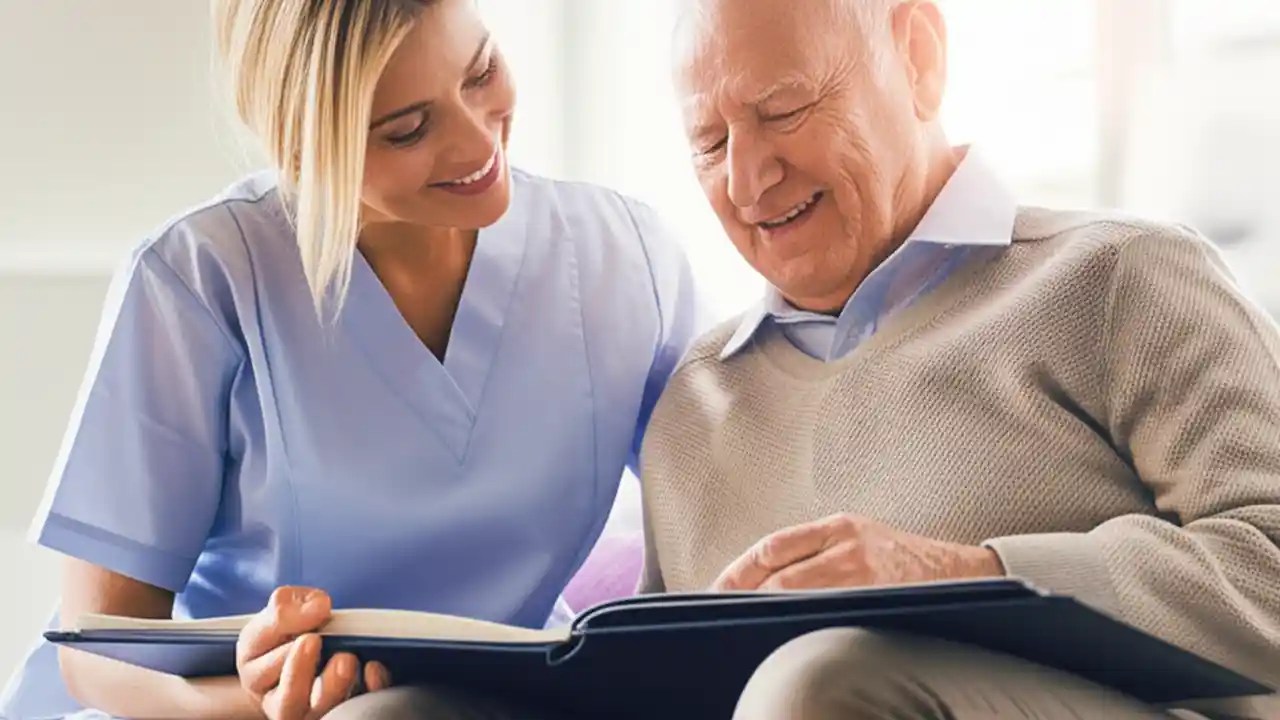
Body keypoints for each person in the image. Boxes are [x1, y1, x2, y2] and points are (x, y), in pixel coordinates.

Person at [0, 0, 708, 718]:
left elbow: (724, 523)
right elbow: (96, 653)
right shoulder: (200, 282)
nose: (474, 143)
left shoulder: (623, 256)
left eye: (481, 71)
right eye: (407, 130)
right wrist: (259, 707)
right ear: (301, 144)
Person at [632, 0, 1280, 718]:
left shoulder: (1123, 277)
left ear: (919, 57)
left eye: (784, 110)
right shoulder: (692, 405)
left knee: (822, 683)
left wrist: (969, 576)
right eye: (709, 143)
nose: (747, 179)